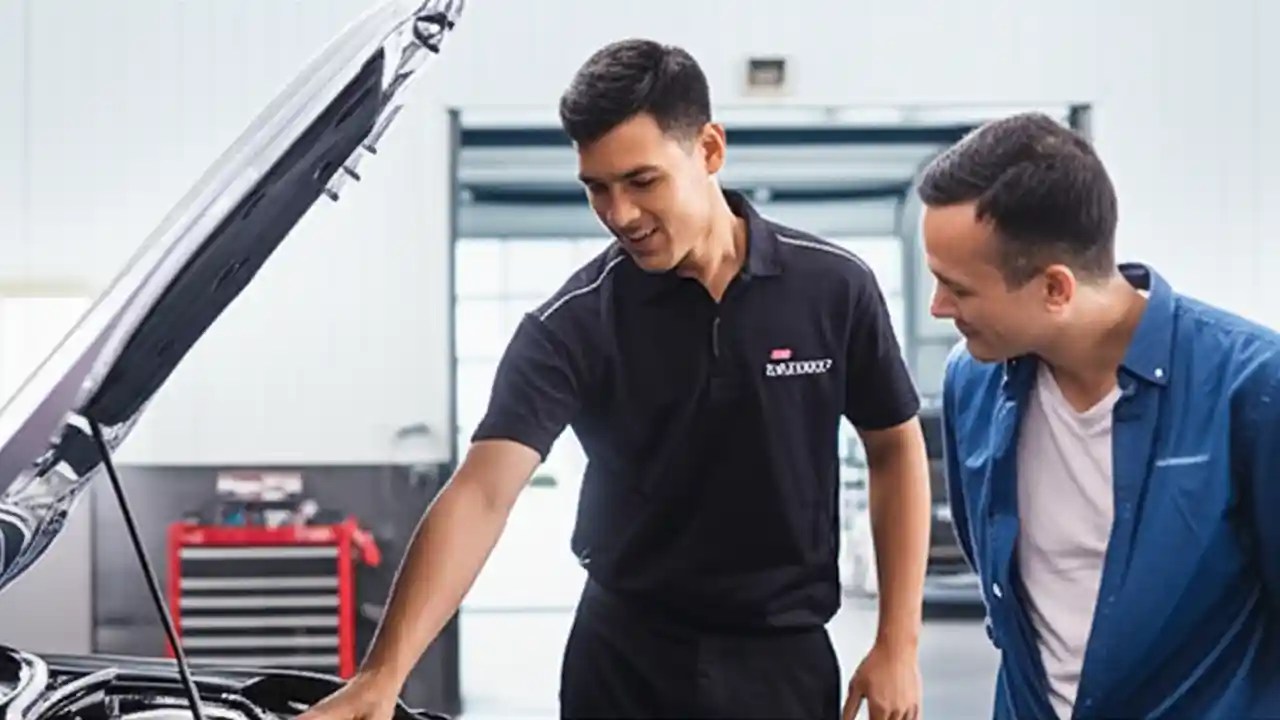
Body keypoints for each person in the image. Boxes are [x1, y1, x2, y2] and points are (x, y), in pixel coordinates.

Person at [299, 38, 932, 720]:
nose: (619, 214)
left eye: (642, 181)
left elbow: (894, 447)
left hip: (783, 660)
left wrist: (897, 643)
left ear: (709, 150)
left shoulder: (833, 288)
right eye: (596, 188)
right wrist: (384, 673)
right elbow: (482, 492)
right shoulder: (571, 324)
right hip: (625, 661)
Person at [921, 111, 1280, 719]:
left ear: (1055, 289)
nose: (937, 306)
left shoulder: (1252, 387)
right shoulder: (972, 382)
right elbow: (1001, 590)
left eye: (958, 288)